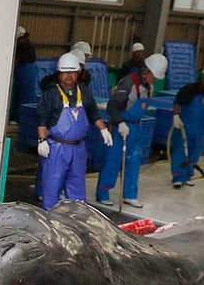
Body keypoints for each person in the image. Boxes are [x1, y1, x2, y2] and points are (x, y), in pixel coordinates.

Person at [36, 52, 111, 210]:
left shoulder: (84, 92)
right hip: (57, 148)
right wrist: (42, 141)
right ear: (59, 73)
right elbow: (42, 119)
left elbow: (93, 113)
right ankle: (51, 222)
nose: (69, 76)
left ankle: (77, 222)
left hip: (78, 148)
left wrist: (103, 129)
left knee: (77, 187)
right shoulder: (51, 94)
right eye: (65, 72)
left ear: (78, 73)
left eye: (72, 72)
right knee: (52, 186)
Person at [97, 53, 168, 208]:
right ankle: (103, 192)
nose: (154, 80)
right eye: (153, 76)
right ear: (146, 71)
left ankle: (130, 194)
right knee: (113, 160)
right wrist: (121, 123)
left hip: (136, 128)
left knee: (134, 160)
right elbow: (112, 106)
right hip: (120, 127)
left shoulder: (150, 87)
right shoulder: (128, 83)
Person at [171, 63, 204, 188]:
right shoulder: (189, 90)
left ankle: (188, 175)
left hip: (201, 130)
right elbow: (178, 102)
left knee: (195, 153)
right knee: (180, 151)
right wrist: (176, 116)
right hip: (185, 127)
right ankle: (178, 176)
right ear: (203, 77)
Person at [10, 26, 36, 122]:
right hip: (20, 74)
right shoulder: (20, 47)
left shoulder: (28, 48)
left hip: (26, 74)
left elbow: (18, 61)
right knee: (16, 96)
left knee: (25, 97)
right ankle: (14, 117)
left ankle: (21, 119)